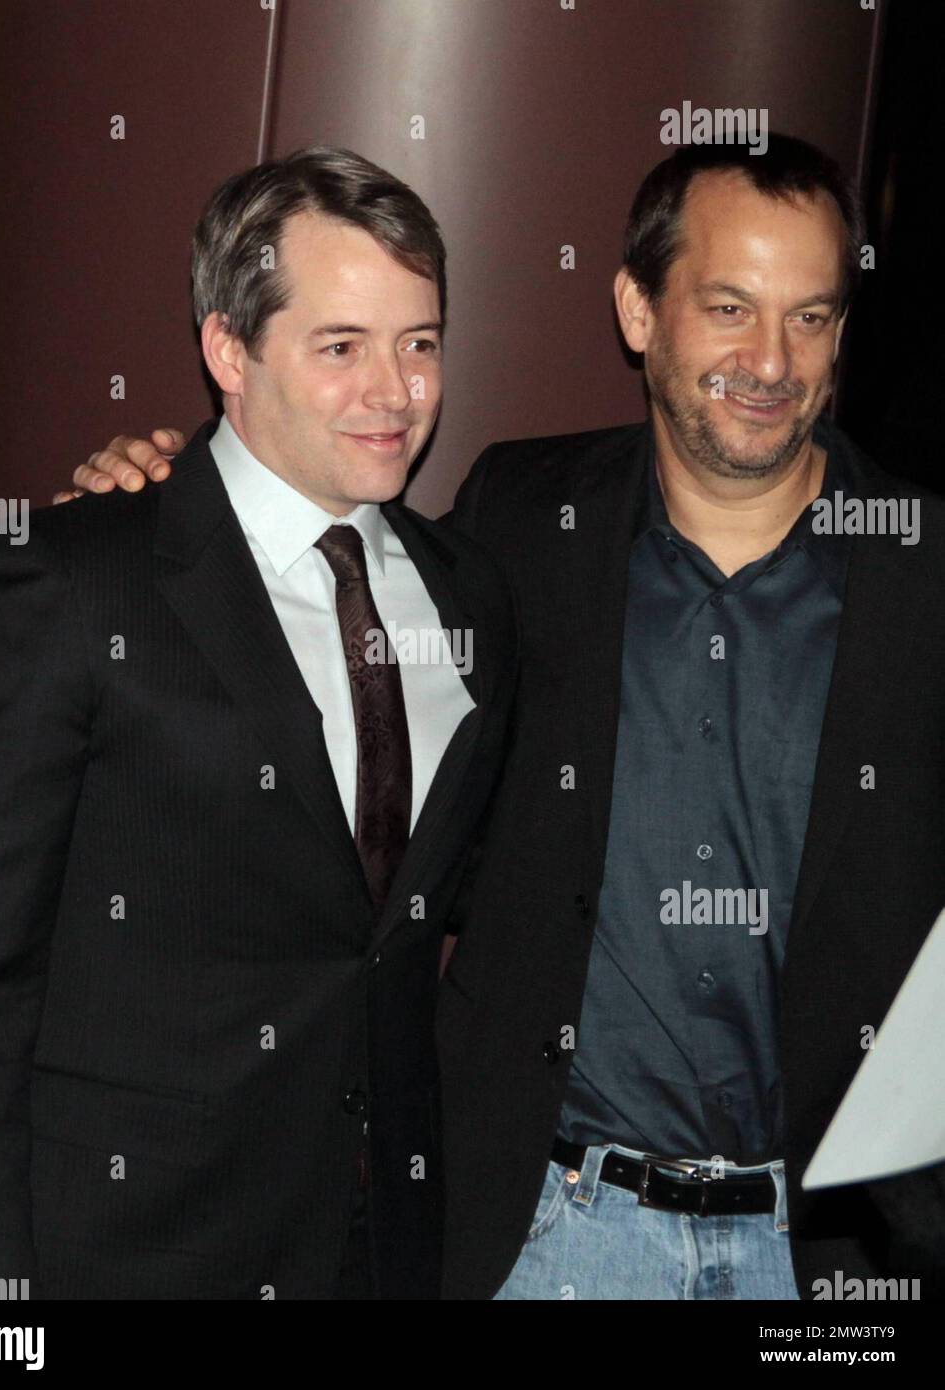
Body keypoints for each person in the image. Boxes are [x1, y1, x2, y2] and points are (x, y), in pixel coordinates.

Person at [73, 134, 945, 1300]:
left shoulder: (924, 577)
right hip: (544, 1235)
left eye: (810, 317)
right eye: (728, 307)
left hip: (832, 1259)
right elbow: (323, 639)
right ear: (636, 309)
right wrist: (165, 502)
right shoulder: (522, 523)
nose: (770, 360)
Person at [0, 147, 517, 1300]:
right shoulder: (73, 583)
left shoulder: (467, 595)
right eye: (340, 345)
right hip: (120, 1256)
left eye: (418, 342)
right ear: (227, 348)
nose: (395, 392)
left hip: (375, 1255)